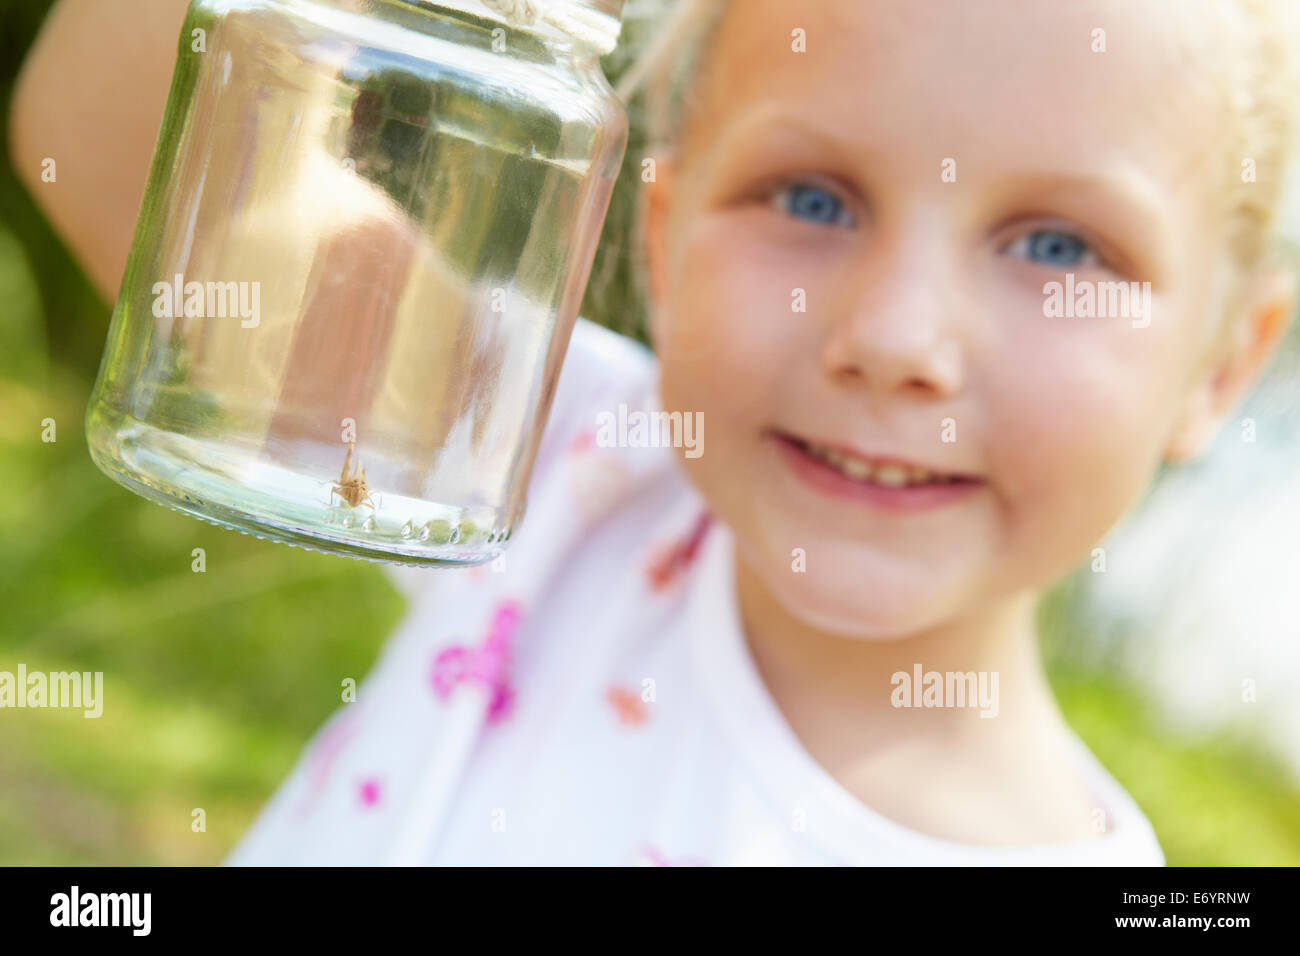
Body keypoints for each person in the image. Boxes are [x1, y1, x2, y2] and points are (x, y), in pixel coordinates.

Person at [12, 0, 1298, 865]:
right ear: (657, 242)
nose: (896, 336)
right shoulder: (575, 462)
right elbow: (108, 141)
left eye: (1058, 247)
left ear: (1222, 362)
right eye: (810, 196)